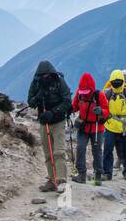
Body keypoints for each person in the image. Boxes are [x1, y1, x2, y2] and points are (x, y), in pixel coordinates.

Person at [27, 59, 71, 191]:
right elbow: (30, 102)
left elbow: (67, 101)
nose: (44, 78)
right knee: (48, 153)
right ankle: (52, 180)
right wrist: (37, 98)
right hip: (43, 122)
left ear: (51, 73)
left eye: (46, 76)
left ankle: (61, 180)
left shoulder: (59, 82)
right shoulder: (36, 83)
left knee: (58, 151)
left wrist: (53, 112)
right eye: (42, 76)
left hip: (58, 121)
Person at [69, 72, 108, 185]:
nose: (84, 94)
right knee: (80, 148)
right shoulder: (79, 94)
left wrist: (101, 111)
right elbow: (74, 106)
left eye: (86, 92)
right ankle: (81, 174)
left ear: (91, 88)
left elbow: (107, 110)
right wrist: (68, 109)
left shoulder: (99, 95)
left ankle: (98, 176)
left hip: (97, 127)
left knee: (97, 151)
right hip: (83, 126)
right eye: (83, 92)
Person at [100, 69, 126, 181]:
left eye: (118, 81)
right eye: (114, 81)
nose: (116, 83)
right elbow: (102, 105)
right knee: (108, 148)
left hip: (123, 125)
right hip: (114, 125)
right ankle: (108, 172)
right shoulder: (108, 93)